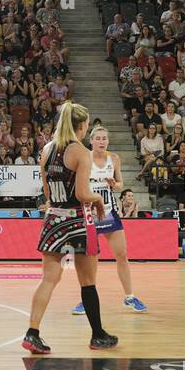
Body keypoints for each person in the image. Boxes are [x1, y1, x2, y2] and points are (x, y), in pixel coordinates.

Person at [22, 102, 118, 355]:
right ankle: (98, 335)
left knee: (48, 279)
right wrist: (98, 200)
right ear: (83, 125)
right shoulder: (80, 151)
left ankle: (32, 333)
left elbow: (46, 191)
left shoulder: (47, 149)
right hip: (77, 219)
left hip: (53, 217)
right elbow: (82, 193)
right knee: (88, 281)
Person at [70, 125, 146, 315]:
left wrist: (115, 184)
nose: (102, 141)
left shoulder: (114, 159)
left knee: (121, 255)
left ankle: (129, 297)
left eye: (105, 138)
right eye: (99, 138)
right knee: (91, 260)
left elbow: (121, 185)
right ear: (92, 141)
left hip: (110, 213)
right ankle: (86, 300)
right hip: (89, 215)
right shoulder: (84, 158)